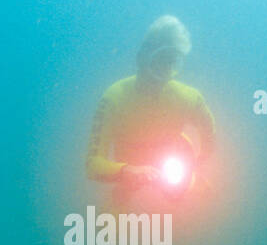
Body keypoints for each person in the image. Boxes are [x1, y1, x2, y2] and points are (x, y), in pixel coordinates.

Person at [86, 16, 216, 215]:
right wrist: (127, 172)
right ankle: (123, 196)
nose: (164, 69)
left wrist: (198, 160)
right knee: (124, 193)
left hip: (171, 164)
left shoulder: (190, 98)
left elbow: (208, 133)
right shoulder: (113, 98)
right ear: (141, 57)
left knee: (176, 194)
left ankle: (187, 183)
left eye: (171, 62)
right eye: (159, 59)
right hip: (130, 168)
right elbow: (92, 165)